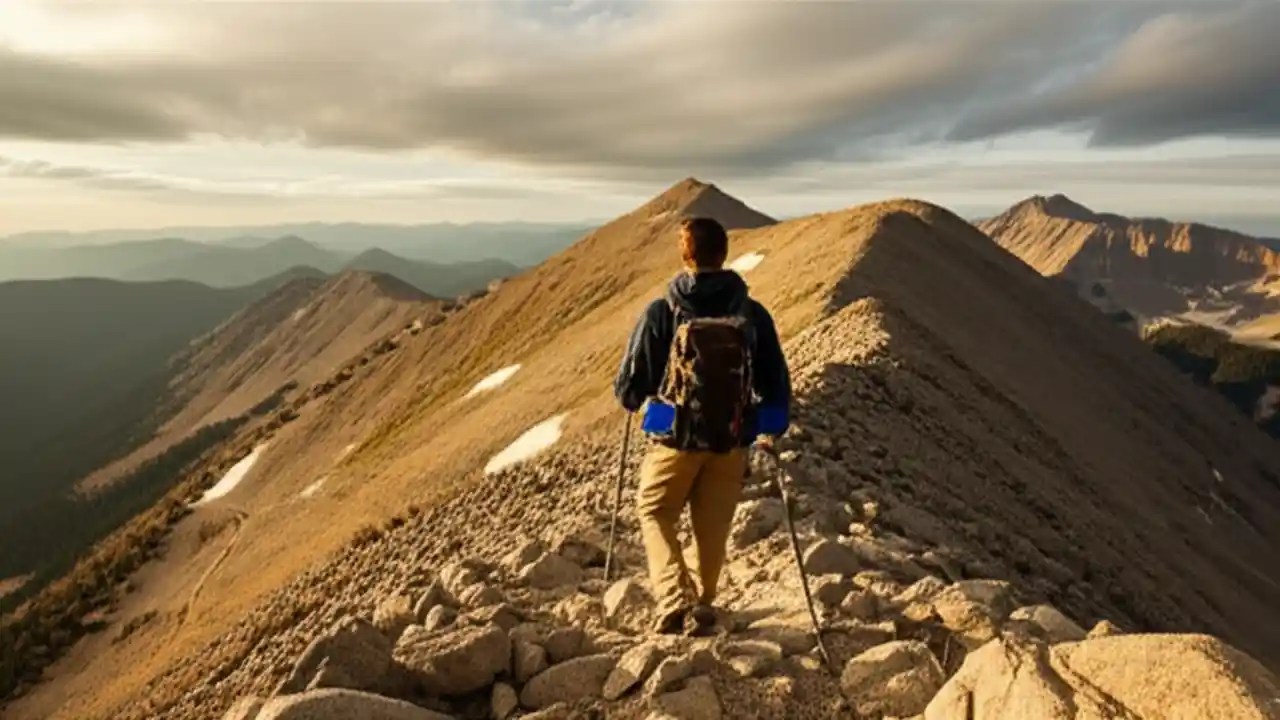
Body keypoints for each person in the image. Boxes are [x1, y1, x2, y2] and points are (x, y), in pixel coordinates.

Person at [614, 216, 791, 634]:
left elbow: (628, 388)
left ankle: (676, 600)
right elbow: (777, 387)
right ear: (723, 254)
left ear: (685, 255)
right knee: (712, 529)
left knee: (655, 510)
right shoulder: (751, 313)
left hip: (675, 439)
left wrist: (647, 407)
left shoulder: (663, 311)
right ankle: (702, 603)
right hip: (731, 441)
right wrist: (760, 426)